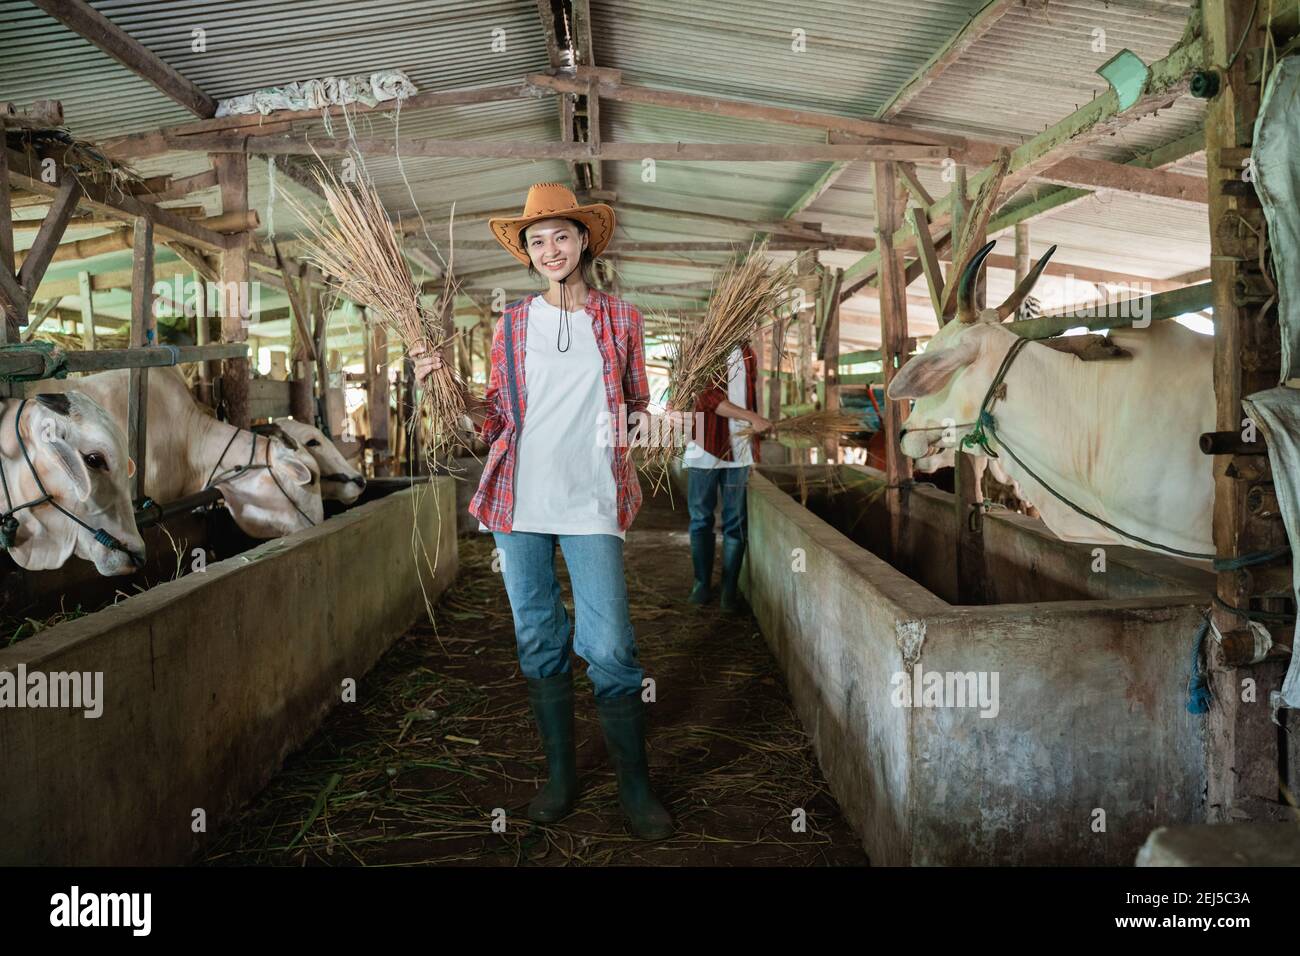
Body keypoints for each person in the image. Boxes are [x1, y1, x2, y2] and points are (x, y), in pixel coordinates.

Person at [411, 183, 672, 840]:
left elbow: (638, 406)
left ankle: (634, 788)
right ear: (526, 254)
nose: (550, 249)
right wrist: (446, 391)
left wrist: (652, 425)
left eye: (561, 236)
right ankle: (561, 776)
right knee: (537, 638)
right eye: (537, 241)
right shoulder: (513, 325)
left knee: (610, 646)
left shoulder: (622, 318)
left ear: (584, 241)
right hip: (519, 502)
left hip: (592, 501)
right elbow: (495, 415)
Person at [681, 340, 772, 611]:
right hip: (704, 446)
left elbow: (750, 394)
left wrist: (754, 425)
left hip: (740, 448)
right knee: (700, 518)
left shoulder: (748, 353)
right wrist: (752, 418)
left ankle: (729, 589)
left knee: (736, 521)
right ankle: (701, 583)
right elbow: (708, 398)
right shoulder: (705, 346)